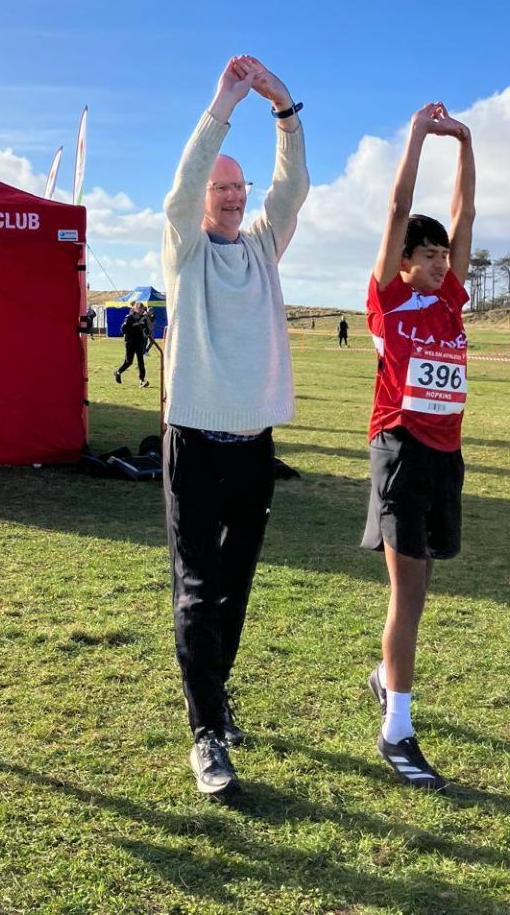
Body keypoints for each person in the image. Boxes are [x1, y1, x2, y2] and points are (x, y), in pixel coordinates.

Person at [162, 54, 308, 796]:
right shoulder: (185, 248)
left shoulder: (261, 244)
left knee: (235, 586)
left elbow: (294, 189)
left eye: (235, 188)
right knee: (196, 587)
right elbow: (183, 185)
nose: (226, 197)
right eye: (219, 188)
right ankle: (206, 734)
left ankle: (214, 697)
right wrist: (223, 101)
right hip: (193, 438)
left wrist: (284, 108)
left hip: (254, 445)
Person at [362, 101, 474, 790]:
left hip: (446, 456)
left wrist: (465, 143)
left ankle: (384, 678)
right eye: (425, 257)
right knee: (406, 599)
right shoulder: (387, 301)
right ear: (402, 264)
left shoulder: (452, 302)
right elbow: (400, 204)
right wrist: (417, 137)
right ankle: (397, 730)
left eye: (441, 257)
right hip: (400, 450)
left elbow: (464, 217)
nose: (437, 264)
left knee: (422, 590)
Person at [115, 301, 152, 387]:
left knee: (141, 362)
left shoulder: (144, 318)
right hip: (130, 342)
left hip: (139, 342)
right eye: (141, 309)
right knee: (129, 362)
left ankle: (142, 380)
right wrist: (134, 325)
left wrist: (147, 329)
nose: (142, 311)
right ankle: (118, 372)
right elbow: (123, 330)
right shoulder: (129, 317)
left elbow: (147, 329)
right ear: (136, 308)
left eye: (143, 309)